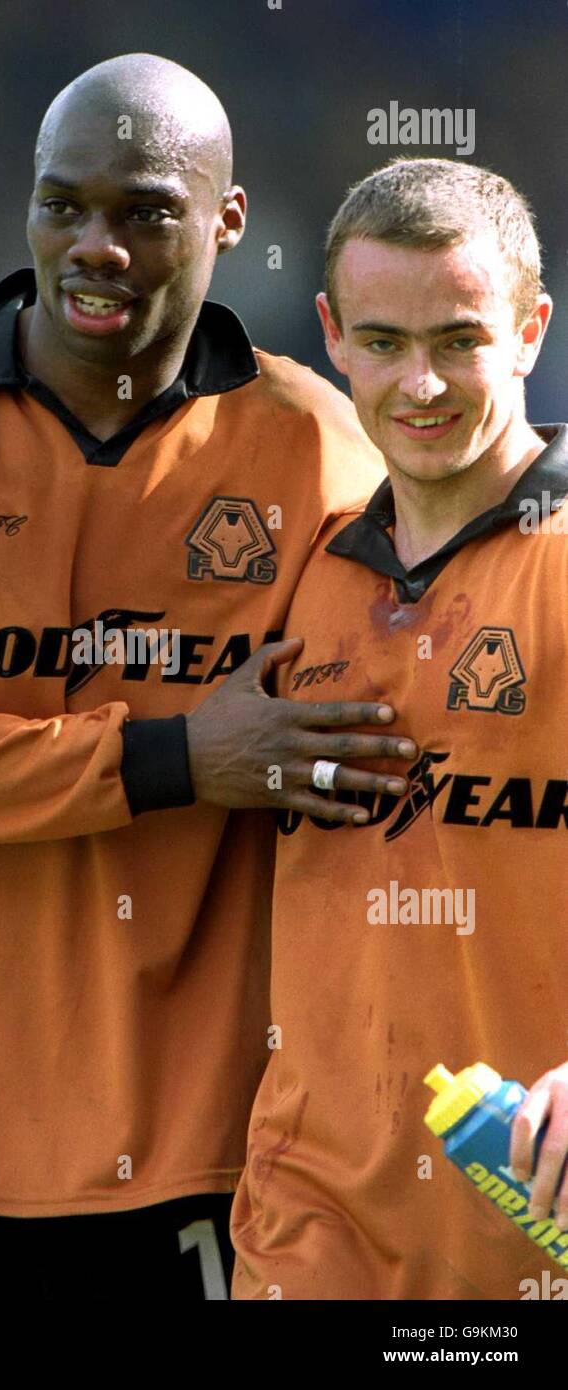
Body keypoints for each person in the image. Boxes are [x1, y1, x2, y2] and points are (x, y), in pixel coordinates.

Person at [0, 54, 414, 1301]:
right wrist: (175, 756)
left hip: (183, 1180)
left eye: (145, 212)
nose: (95, 246)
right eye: (63, 205)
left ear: (226, 219)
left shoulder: (320, 452)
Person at [231, 156, 568, 1300]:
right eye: (382, 343)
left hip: (531, 1234)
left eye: (460, 341)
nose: (419, 384)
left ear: (528, 330)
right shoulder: (294, 580)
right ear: (330, 334)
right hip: (307, 1230)